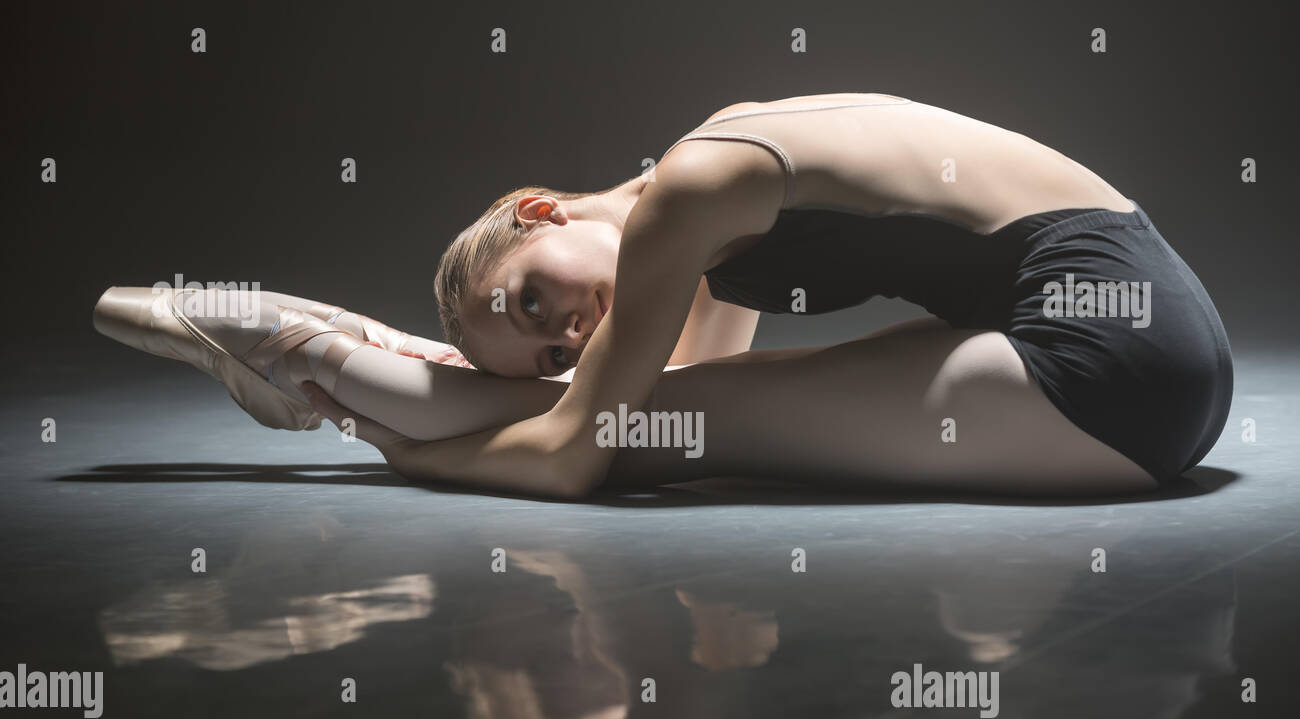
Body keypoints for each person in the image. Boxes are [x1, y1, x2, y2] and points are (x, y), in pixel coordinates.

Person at [93, 93, 1233, 498]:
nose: (571, 332)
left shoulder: (694, 188)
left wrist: (407, 454)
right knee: (685, 414)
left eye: (532, 298)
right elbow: (674, 385)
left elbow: (585, 452)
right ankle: (320, 345)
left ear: (538, 210)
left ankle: (305, 347)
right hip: (1134, 336)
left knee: (651, 439)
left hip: (1113, 365)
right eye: (543, 345)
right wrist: (566, 401)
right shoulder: (698, 199)